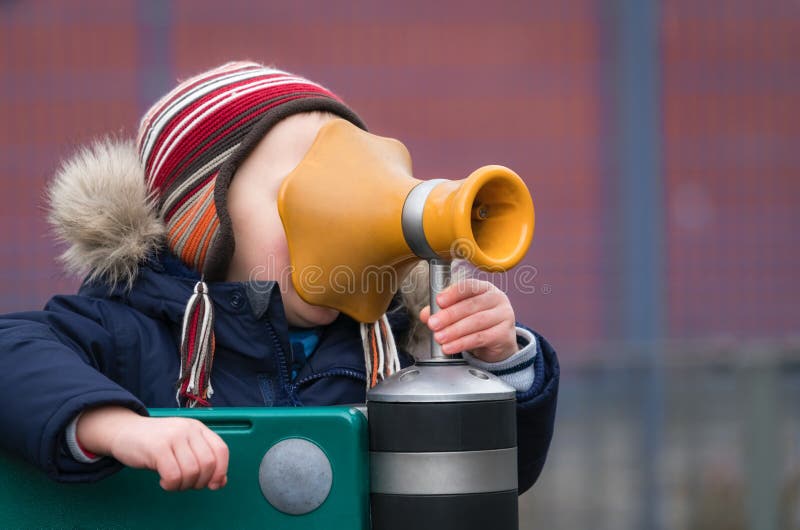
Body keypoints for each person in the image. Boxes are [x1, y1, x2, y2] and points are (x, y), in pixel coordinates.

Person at [0, 62, 559, 495]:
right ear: (203, 223)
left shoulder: (393, 348)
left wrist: (497, 363)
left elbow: (498, 476)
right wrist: (119, 428)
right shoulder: (128, 328)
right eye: (300, 198)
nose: (335, 223)